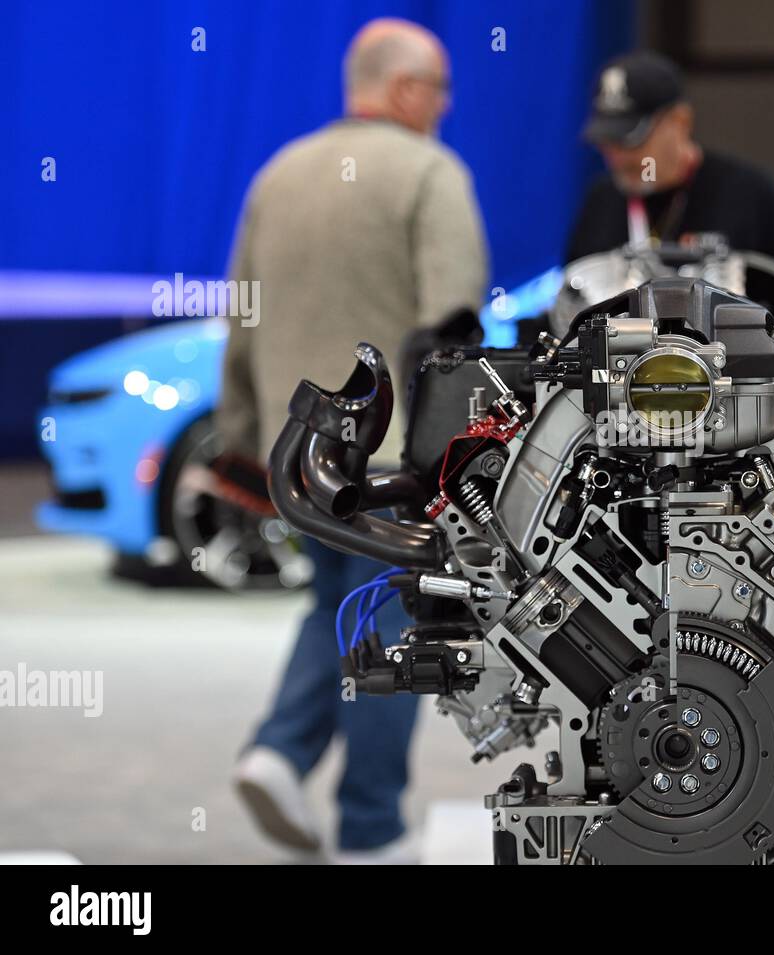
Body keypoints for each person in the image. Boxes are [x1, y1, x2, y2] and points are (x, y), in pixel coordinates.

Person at [217, 17, 488, 863]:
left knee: (334, 603)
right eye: (440, 88)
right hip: (395, 459)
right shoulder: (430, 173)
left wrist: (242, 435)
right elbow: (453, 326)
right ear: (406, 90)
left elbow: (240, 321)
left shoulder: (278, 175)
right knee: (394, 622)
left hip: (301, 455)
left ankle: (278, 750)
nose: (446, 105)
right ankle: (371, 829)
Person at [565, 50, 774, 302]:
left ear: (681, 121)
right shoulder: (601, 202)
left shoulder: (750, 195)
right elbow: (570, 301)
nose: (618, 157)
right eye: (607, 142)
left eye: (630, 141)